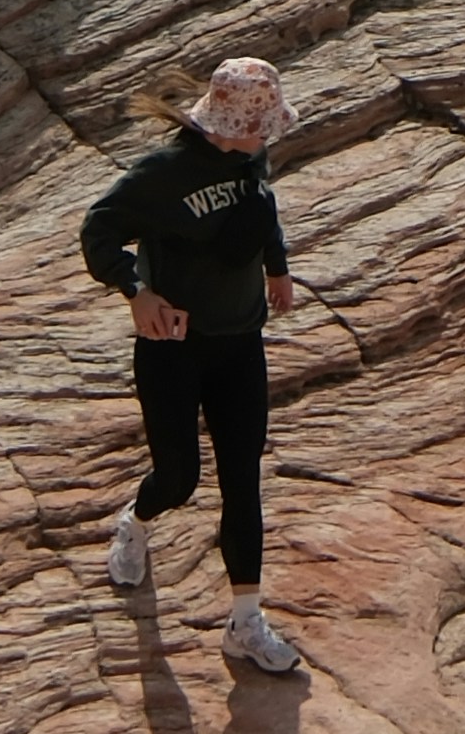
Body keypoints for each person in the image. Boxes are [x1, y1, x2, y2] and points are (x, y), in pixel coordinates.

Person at [82, 52, 302, 672]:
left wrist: (277, 268)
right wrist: (137, 291)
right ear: (228, 125)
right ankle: (136, 520)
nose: (268, 136)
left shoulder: (250, 155)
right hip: (172, 349)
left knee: (242, 480)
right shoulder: (162, 174)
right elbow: (99, 231)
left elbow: (263, 209)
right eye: (262, 126)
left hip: (239, 340)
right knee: (177, 478)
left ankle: (245, 620)